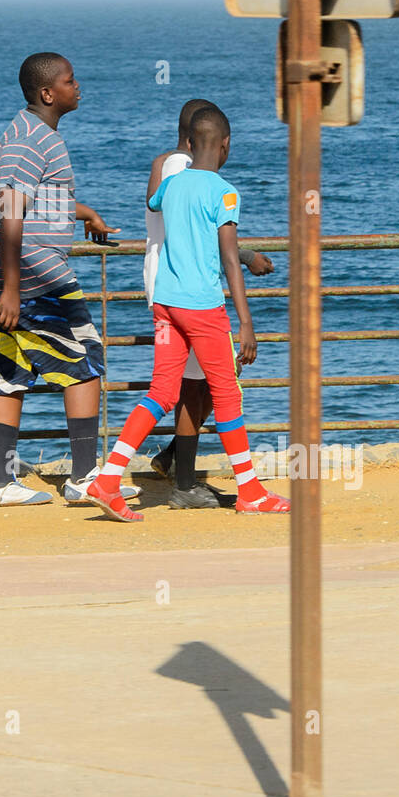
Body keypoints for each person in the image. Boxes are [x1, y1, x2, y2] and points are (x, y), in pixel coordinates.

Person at [86, 104, 289, 521]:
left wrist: (165, 167)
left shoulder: (172, 182)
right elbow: (231, 259)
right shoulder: (225, 192)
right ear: (226, 146)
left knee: (161, 392)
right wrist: (246, 322)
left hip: (165, 303)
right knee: (228, 394)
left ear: (191, 144)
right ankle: (251, 491)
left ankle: (107, 480)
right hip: (202, 306)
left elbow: (154, 200)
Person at [0, 52, 135, 508]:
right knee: (84, 355)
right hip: (34, 273)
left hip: (7, 271)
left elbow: (38, 197)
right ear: (47, 93)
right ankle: (85, 478)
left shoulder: (29, 133)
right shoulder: (31, 140)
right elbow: (11, 211)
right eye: (69, 80)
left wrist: (85, 213)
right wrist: (12, 287)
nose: (77, 86)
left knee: (9, 370)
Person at [144, 99, 275, 508]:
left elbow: (167, 218)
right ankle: (184, 482)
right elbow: (207, 238)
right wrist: (247, 259)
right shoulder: (183, 171)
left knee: (194, 384)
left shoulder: (163, 169)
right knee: (195, 386)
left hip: (165, 283)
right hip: (189, 290)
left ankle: (172, 462)